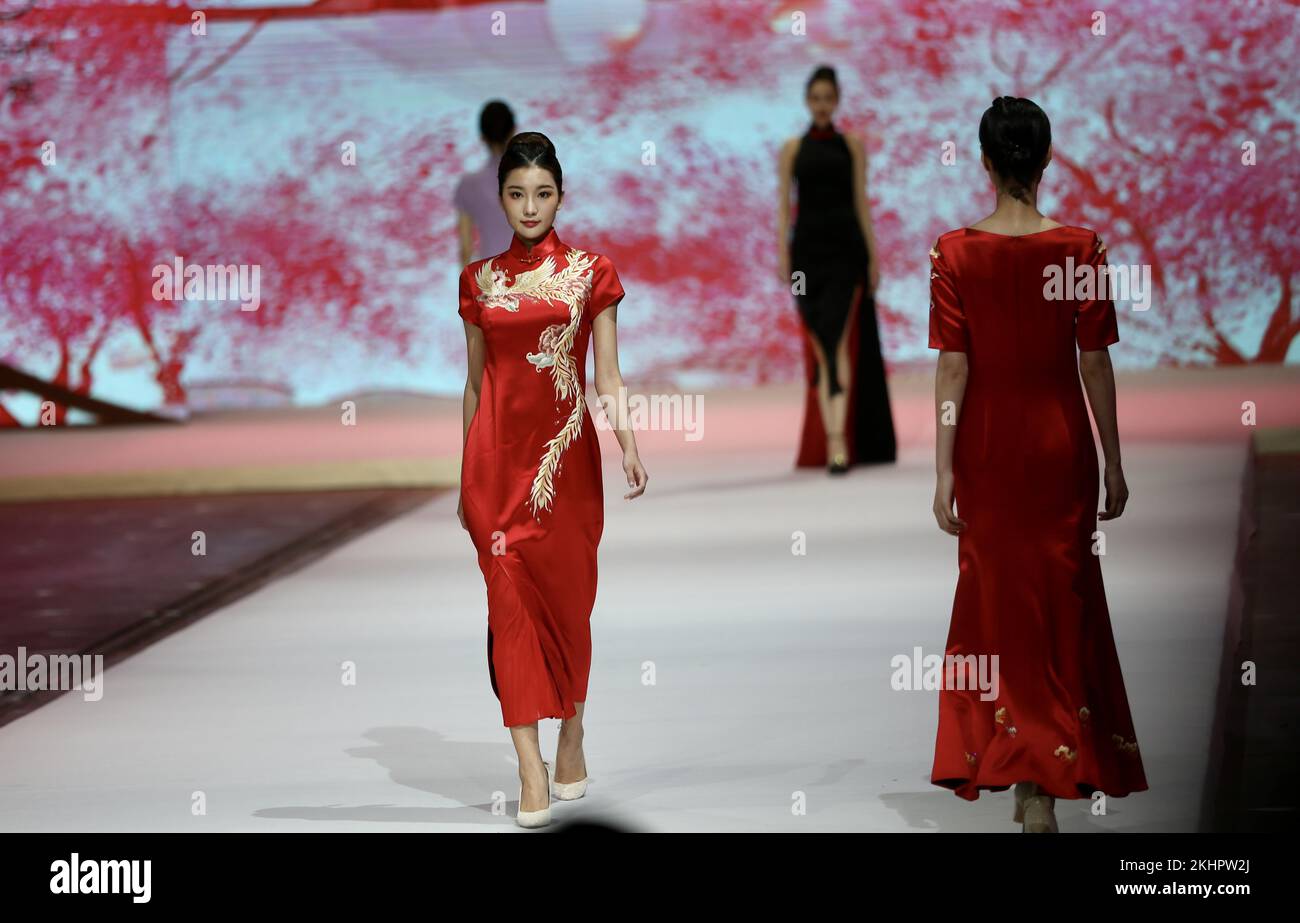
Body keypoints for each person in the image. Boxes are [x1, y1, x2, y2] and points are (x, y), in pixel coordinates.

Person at [927, 96, 1148, 831]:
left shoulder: (954, 252)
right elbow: (1095, 364)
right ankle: (1050, 766)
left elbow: (954, 371)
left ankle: (1019, 764)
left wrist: (942, 468)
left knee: (994, 598)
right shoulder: (1080, 248)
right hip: (1059, 446)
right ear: (1045, 160)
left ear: (986, 162)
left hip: (988, 447)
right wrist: (1114, 460)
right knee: (1062, 596)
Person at [456, 131, 648, 828]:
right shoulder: (478, 280)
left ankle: (571, 732)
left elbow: (610, 375)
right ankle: (528, 766)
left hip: (567, 472)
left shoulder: (593, 272)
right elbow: (475, 384)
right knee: (507, 610)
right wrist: (464, 476)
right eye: (516, 194)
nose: (529, 206)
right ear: (500, 198)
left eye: (542, 193)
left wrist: (628, 442)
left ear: (561, 195)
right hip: (495, 473)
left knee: (569, 612)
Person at [778, 64, 896, 474]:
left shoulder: (853, 146)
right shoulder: (792, 149)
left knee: (838, 345)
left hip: (846, 254)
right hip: (807, 259)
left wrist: (874, 258)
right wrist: (783, 255)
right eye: (816, 98)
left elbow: (861, 203)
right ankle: (833, 439)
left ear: (837, 100)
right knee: (821, 349)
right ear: (808, 102)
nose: (823, 105)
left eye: (829, 98)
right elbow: (784, 208)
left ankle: (837, 444)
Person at [454, 101, 517, 264]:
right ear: (513, 132)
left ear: (482, 137)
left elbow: (466, 249)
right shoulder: (537, 181)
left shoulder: (469, 185)